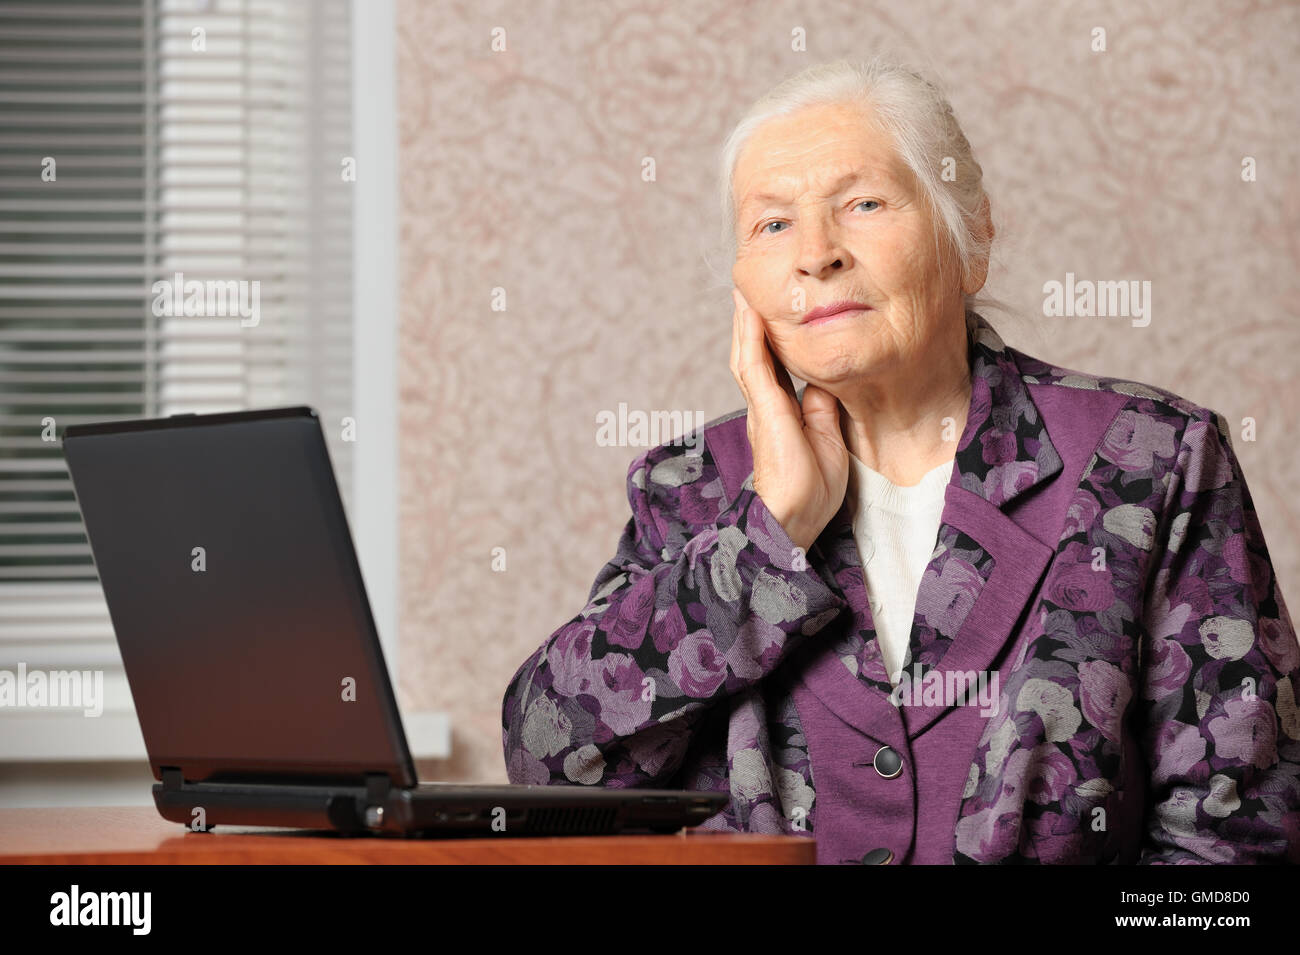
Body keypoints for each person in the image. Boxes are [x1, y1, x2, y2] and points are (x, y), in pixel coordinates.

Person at [500, 56, 1300, 864]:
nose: (816, 253)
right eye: (772, 224)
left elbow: (1242, 849)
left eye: (864, 203)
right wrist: (764, 537)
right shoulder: (690, 484)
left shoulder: (1154, 457)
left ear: (972, 239)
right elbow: (548, 760)